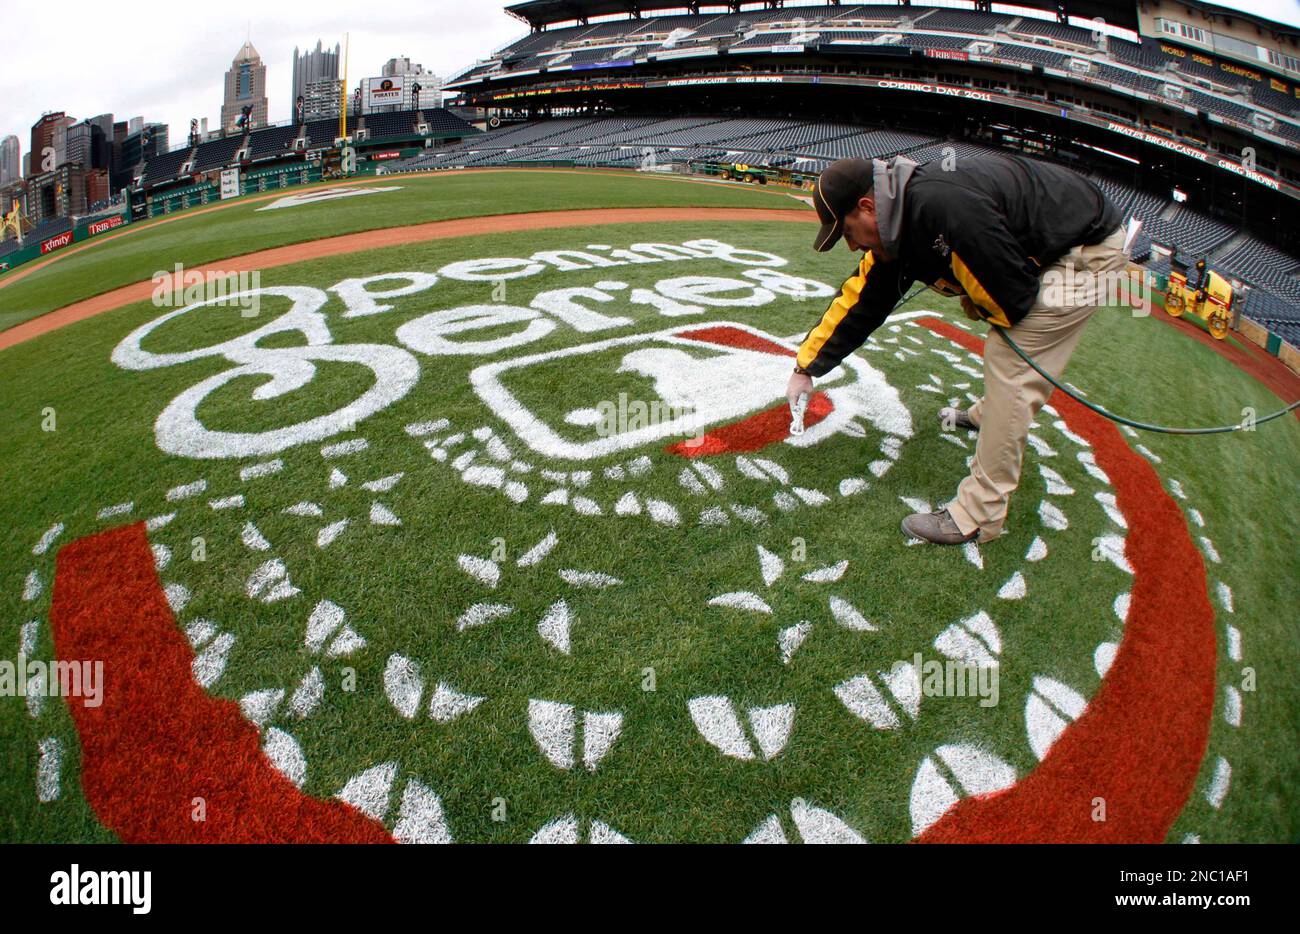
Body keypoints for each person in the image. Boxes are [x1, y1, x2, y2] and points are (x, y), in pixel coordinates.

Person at [787, 153, 1125, 545]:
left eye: (847, 231)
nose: (850, 245)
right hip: (1053, 239)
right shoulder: (900, 213)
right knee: (998, 328)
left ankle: (979, 516)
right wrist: (806, 367)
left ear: (867, 206)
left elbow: (1010, 300)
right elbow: (864, 300)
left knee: (1012, 359)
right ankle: (986, 416)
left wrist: (972, 293)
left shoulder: (942, 207)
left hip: (1084, 251)